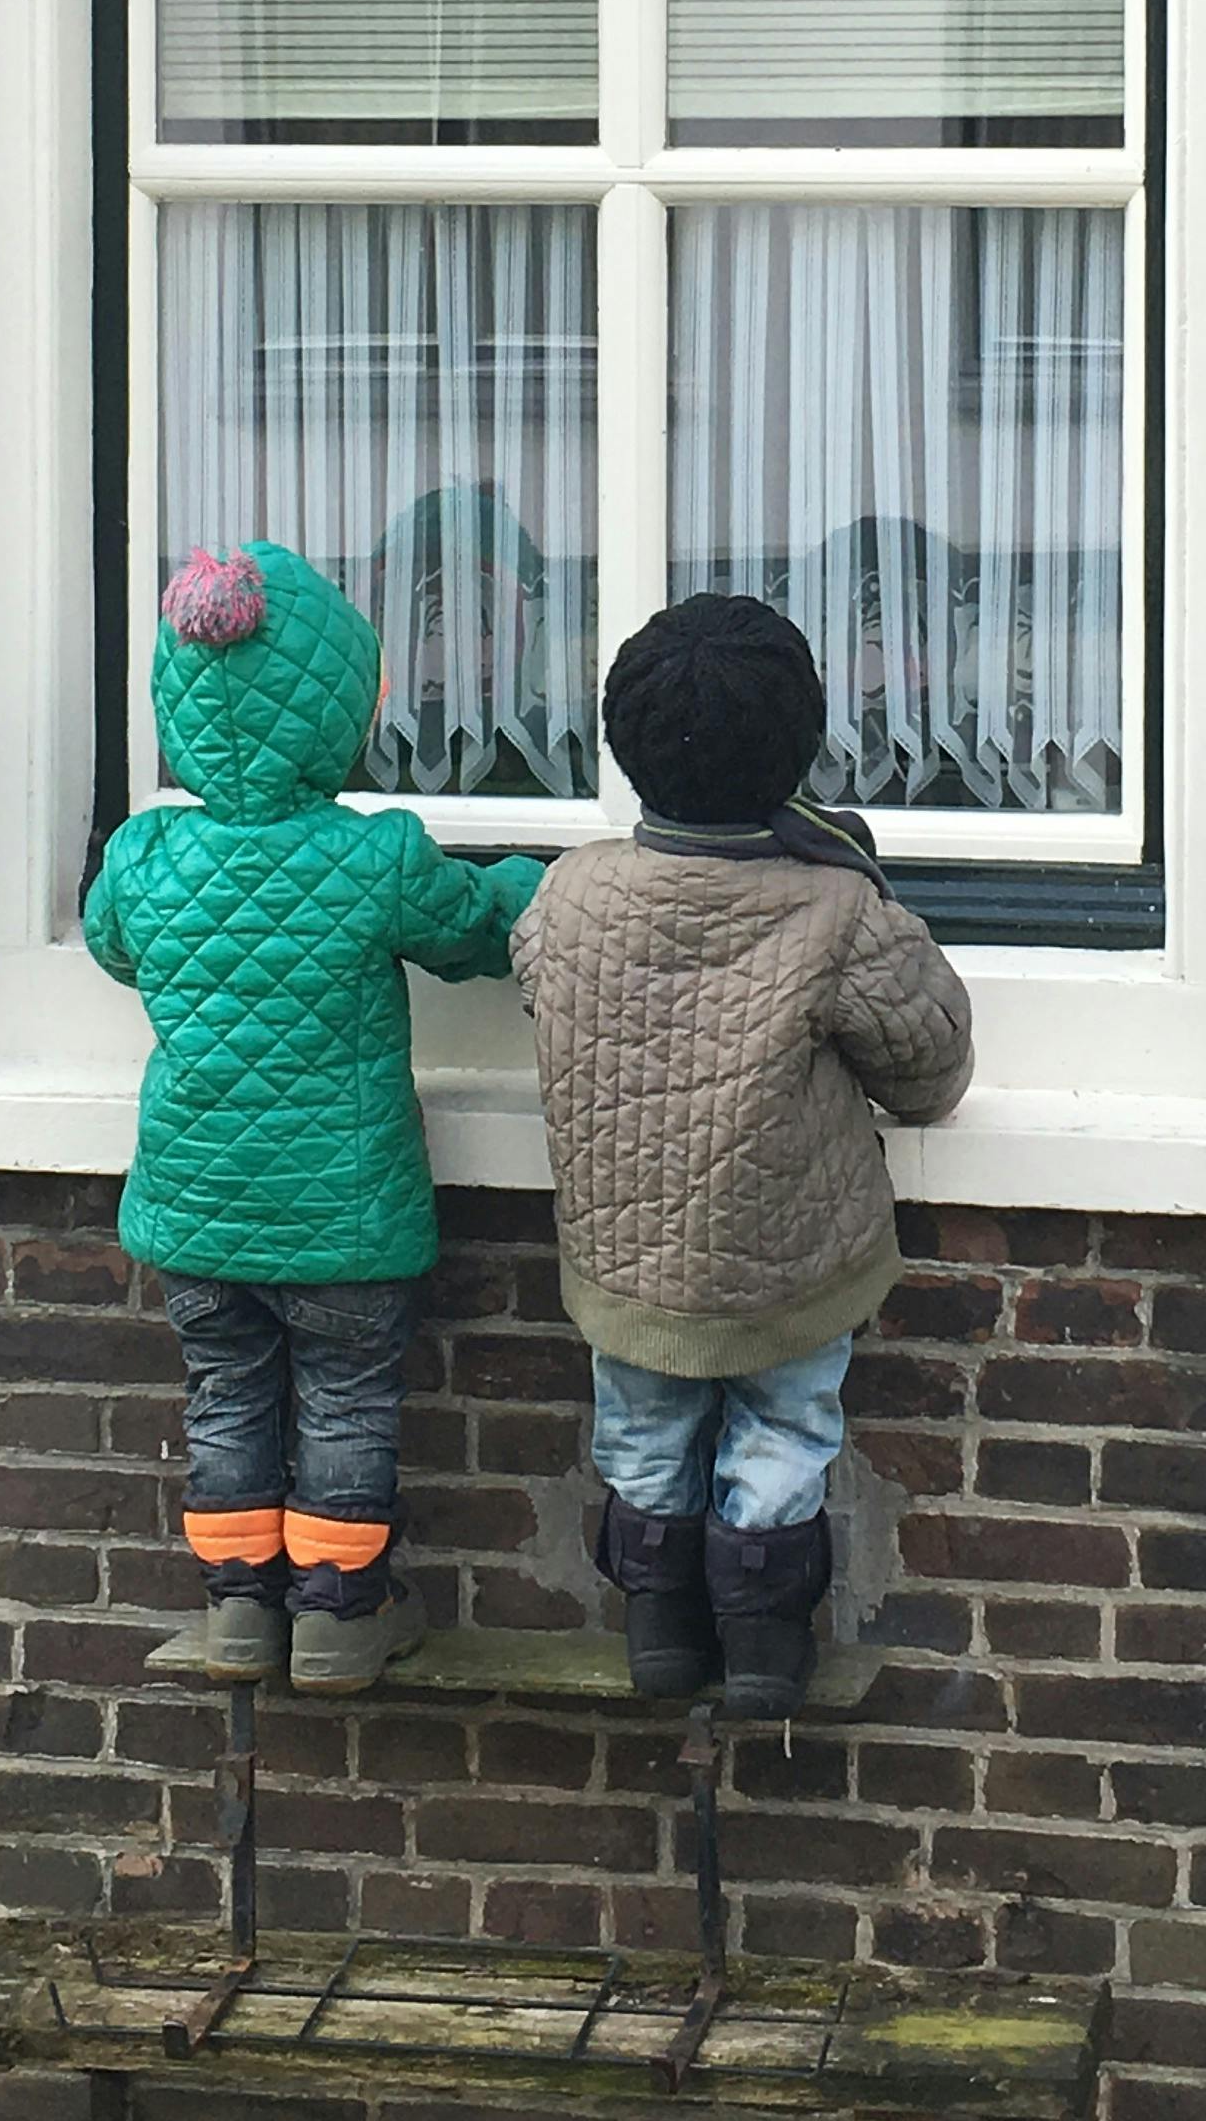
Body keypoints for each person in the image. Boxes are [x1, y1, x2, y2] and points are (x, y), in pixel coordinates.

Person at [87, 541, 542, 1689]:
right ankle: (340, 1611)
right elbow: (473, 934)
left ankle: (241, 1605)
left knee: (226, 1392)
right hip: (342, 1209)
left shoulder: (145, 857)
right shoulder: (373, 855)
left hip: (197, 1206)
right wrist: (536, 886)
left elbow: (110, 943)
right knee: (345, 1398)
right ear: (342, 706)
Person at [512, 596, 974, 1712]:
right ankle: (765, 1641)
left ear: (625, 747)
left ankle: (661, 1630)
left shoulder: (570, 894)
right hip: (792, 1266)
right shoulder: (836, 907)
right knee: (784, 1430)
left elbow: (534, 982)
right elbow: (930, 1068)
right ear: (796, 748)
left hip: (632, 1269)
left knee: (641, 1429)